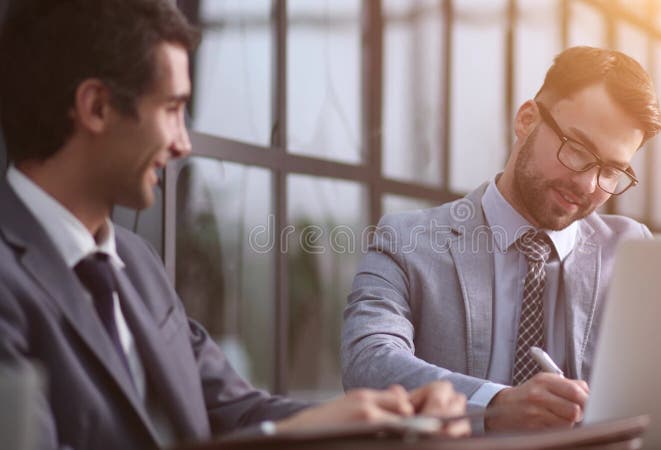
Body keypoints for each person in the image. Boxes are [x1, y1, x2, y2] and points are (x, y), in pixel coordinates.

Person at [0, 1, 468, 449]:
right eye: (171, 108)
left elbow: (237, 412)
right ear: (97, 107)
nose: (184, 143)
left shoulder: (136, 264)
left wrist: (385, 419)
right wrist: (277, 440)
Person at [341, 46, 661, 432]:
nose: (587, 183)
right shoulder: (406, 240)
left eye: (610, 171)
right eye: (577, 150)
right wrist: (493, 404)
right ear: (527, 119)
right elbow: (368, 361)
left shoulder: (631, 251)